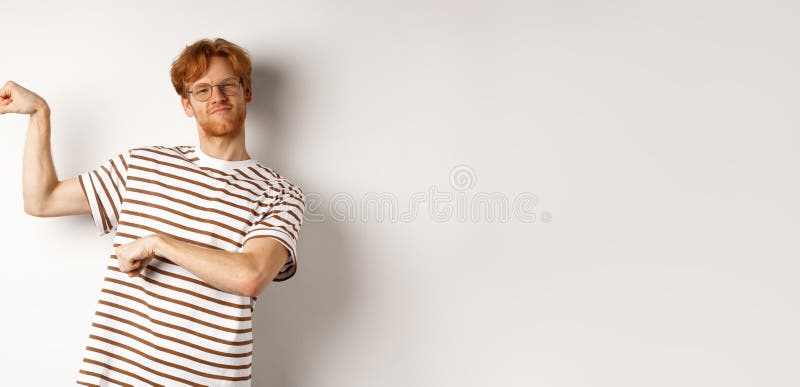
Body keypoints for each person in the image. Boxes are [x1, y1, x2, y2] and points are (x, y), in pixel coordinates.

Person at [0, 38, 305, 385]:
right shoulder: (144, 164)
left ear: (246, 92)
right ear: (187, 105)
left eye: (227, 85)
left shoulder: (280, 192)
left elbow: (250, 276)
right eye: (201, 90)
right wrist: (40, 114)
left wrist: (158, 243)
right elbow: (42, 200)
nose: (217, 97)